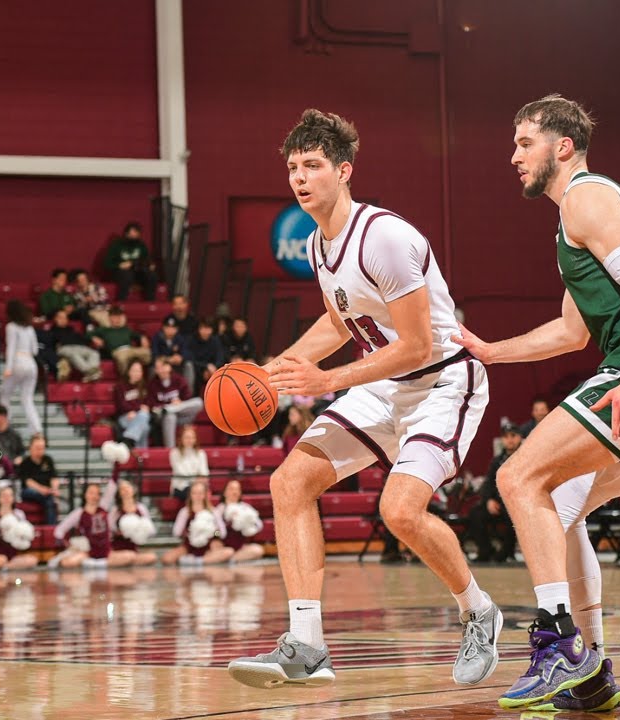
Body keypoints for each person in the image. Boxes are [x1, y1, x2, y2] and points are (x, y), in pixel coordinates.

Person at [227, 109, 507, 692]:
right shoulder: (317, 242)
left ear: (344, 170)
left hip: (442, 381)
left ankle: (479, 610)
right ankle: (306, 643)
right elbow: (340, 323)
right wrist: (274, 370)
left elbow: (417, 344)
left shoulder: (385, 235)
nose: (300, 178)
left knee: (400, 512)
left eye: (312, 166)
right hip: (383, 383)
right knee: (289, 483)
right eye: (292, 168)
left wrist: (327, 382)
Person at [453, 95, 620, 711]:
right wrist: (492, 352)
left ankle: (557, 642)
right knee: (561, 504)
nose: (513, 155)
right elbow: (571, 332)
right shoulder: (571, 222)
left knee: (518, 477)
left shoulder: (585, 196)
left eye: (524, 142)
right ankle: (593, 673)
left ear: (561, 146)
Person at [466, 422, 522, 562]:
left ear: (520, 437)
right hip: (498, 503)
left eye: (513, 436)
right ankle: (485, 550)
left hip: (517, 504)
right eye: (506, 436)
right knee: (476, 513)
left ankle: (504, 554)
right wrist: (489, 500)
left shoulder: (525, 459)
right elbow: (488, 483)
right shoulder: (497, 461)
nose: (510, 439)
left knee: (514, 517)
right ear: (502, 440)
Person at [53, 483, 145, 568]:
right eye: (91, 493)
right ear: (85, 495)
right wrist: (68, 545)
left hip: (106, 552)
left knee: (131, 556)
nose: (94, 496)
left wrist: (117, 465)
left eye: (97, 494)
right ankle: (95, 563)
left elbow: (111, 487)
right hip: (89, 552)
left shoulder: (103, 508)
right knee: (67, 562)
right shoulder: (79, 513)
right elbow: (59, 531)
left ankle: (97, 564)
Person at [162, 480, 233, 565]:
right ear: (190, 495)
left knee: (228, 552)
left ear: (205, 494)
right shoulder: (185, 511)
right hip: (190, 545)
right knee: (167, 558)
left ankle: (198, 561)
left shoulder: (213, 511)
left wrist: (213, 532)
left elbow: (222, 533)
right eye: (194, 493)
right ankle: (194, 559)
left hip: (209, 545)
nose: (197, 496)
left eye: (200, 493)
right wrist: (189, 532)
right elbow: (176, 533)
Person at [0, 299, 42, 435]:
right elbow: (35, 350)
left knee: (5, 394)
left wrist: (8, 368)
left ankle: (5, 426)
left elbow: (10, 348)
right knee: (27, 399)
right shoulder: (29, 328)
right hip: (31, 363)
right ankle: (37, 430)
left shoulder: (11, 327)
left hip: (18, 362)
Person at [147, 357, 203, 448]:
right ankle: (170, 450)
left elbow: (187, 397)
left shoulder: (178, 379)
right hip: (163, 417)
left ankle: (169, 409)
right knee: (170, 416)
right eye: (157, 368)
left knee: (199, 402)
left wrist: (179, 402)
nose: (160, 370)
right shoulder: (153, 384)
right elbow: (152, 405)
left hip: (181, 413)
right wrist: (165, 405)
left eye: (162, 367)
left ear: (169, 367)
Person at [0, 485, 39, 571]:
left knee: (32, 560)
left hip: (13, 553)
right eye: (4, 495)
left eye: (9, 495)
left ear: (13, 498)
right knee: (0, 560)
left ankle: (5, 567)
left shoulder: (19, 514)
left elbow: (25, 531)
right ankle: (1, 565)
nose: (7, 498)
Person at [108, 479, 158, 565]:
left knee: (152, 557)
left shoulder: (141, 508)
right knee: (128, 556)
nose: (126, 490)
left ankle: (126, 561)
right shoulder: (115, 510)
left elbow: (151, 530)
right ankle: (122, 560)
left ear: (133, 490)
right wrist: (121, 533)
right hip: (117, 548)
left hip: (133, 549)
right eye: (122, 489)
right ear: (119, 494)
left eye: (127, 487)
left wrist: (140, 532)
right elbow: (109, 531)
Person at [215, 479, 266, 563]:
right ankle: (227, 557)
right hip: (224, 547)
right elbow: (215, 532)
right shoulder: (219, 509)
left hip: (240, 547)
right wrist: (218, 535)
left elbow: (259, 525)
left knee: (258, 550)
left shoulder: (245, 507)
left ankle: (231, 559)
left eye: (237, 489)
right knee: (226, 551)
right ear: (224, 492)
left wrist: (249, 527)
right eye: (231, 489)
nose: (234, 492)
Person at [89, 305, 151, 374]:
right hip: (117, 351)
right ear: (110, 318)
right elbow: (87, 335)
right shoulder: (104, 330)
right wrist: (94, 338)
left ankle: (150, 379)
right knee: (122, 358)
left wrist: (143, 337)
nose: (117, 320)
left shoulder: (125, 329)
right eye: (115, 317)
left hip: (130, 350)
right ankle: (125, 381)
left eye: (119, 317)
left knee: (149, 353)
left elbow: (137, 335)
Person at [45, 308, 101, 382]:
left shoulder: (71, 329)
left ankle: (91, 374)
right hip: (64, 348)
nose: (63, 319)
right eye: (60, 317)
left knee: (94, 353)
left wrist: (92, 339)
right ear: (55, 319)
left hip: (79, 347)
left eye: (65, 317)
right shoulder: (52, 331)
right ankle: (89, 371)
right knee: (74, 354)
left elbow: (82, 338)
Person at [106, 221, 158, 301]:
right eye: (134, 231)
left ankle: (150, 302)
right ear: (126, 233)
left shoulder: (141, 245)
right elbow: (107, 264)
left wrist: (150, 265)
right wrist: (120, 265)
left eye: (137, 232)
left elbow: (148, 259)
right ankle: (121, 302)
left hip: (138, 271)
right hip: (121, 272)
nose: (136, 234)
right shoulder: (116, 245)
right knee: (127, 275)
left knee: (152, 275)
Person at [17, 434, 60, 525]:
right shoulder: (25, 462)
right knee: (48, 498)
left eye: (42, 448)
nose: (40, 450)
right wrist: (41, 489)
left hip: (47, 491)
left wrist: (54, 489)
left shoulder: (48, 460)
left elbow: (54, 477)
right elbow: (28, 482)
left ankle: (49, 528)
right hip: (29, 491)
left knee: (49, 499)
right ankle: (51, 527)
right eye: (37, 447)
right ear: (31, 448)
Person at [111, 359, 152, 449]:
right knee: (144, 424)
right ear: (129, 371)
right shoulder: (120, 387)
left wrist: (137, 411)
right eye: (134, 370)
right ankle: (142, 454)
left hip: (139, 416)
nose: (137, 373)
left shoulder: (145, 386)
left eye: (139, 371)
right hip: (125, 417)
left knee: (144, 423)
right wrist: (135, 410)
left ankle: (128, 440)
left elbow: (148, 404)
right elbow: (121, 405)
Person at [167, 425, 208, 502]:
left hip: (198, 487)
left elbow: (204, 472)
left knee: (199, 492)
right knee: (195, 493)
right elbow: (181, 473)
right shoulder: (174, 453)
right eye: (187, 437)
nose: (189, 440)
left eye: (192, 437)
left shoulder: (201, 453)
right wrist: (197, 479)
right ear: (181, 438)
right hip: (180, 487)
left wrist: (199, 481)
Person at [186, 318, 225, 392]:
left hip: (212, 370)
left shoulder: (215, 341)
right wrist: (206, 366)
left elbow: (220, 357)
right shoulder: (191, 340)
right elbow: (190, 359)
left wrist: (214, 368)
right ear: (199, 329)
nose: (205, 331)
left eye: (208, 328)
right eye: (203, 328)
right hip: (197, 369)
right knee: (190, 367)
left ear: (211, 330)